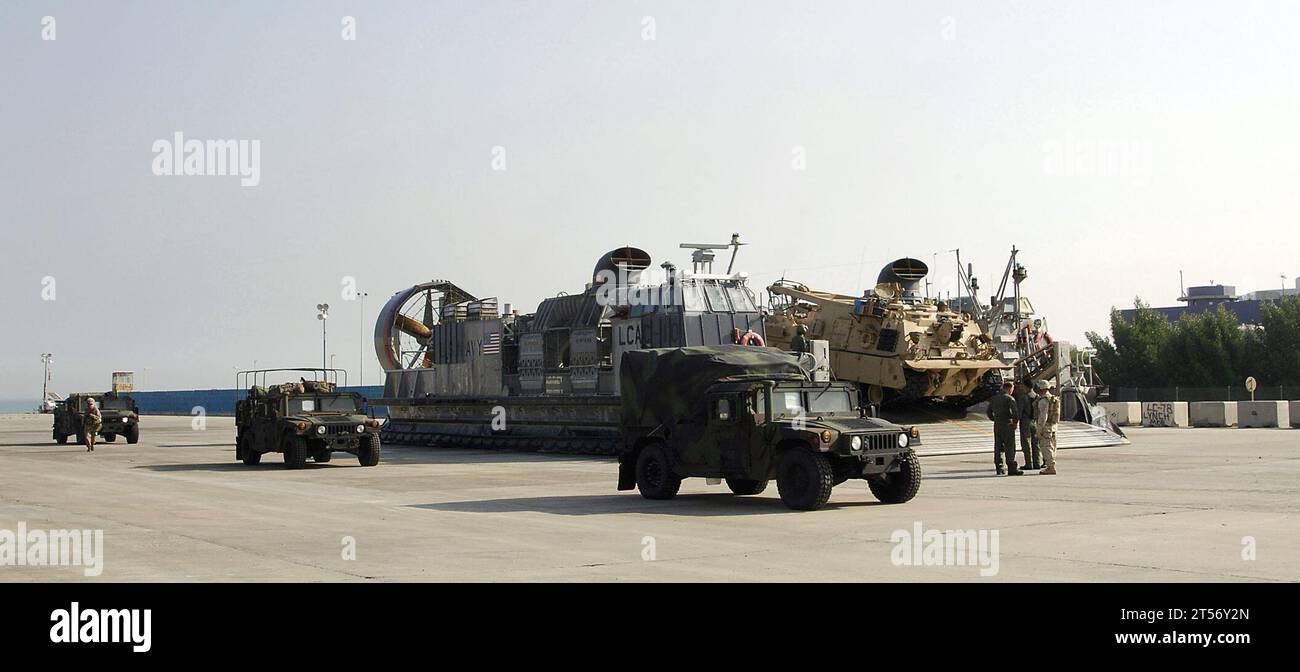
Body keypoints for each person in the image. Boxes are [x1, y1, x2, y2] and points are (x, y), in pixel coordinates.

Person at [986, 381, 1022, 475]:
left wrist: (995, 419)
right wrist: (1015, 423)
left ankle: (999, 467)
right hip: (1008, 424)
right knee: (1010, 446)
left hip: (997, 425)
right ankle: (1011, 468)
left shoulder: (994, 398)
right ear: (1009, 388)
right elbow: (1015, 412)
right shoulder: (1009, 399)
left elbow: (989, 412)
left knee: (998, 446)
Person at [1035, 380, 1061, 474]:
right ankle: (1051, 465)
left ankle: (1050, 467)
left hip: (1046, 427)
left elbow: (1043, 416)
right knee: (1053, 446)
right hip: (1054, 426)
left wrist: (1039, 429)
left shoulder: (1043, 401)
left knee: (1046, 447)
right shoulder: (1053, 399)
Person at [1015, 380, 1041, 470]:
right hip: (1035, 421)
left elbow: (1019, 412)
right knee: (1036, 443)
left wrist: (1015, 422)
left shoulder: (1023, 398)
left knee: (1026, 443)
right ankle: (1037, 462)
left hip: (1025, 421)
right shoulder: (1038, 396)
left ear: (1026, 386)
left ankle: (1029, 464)